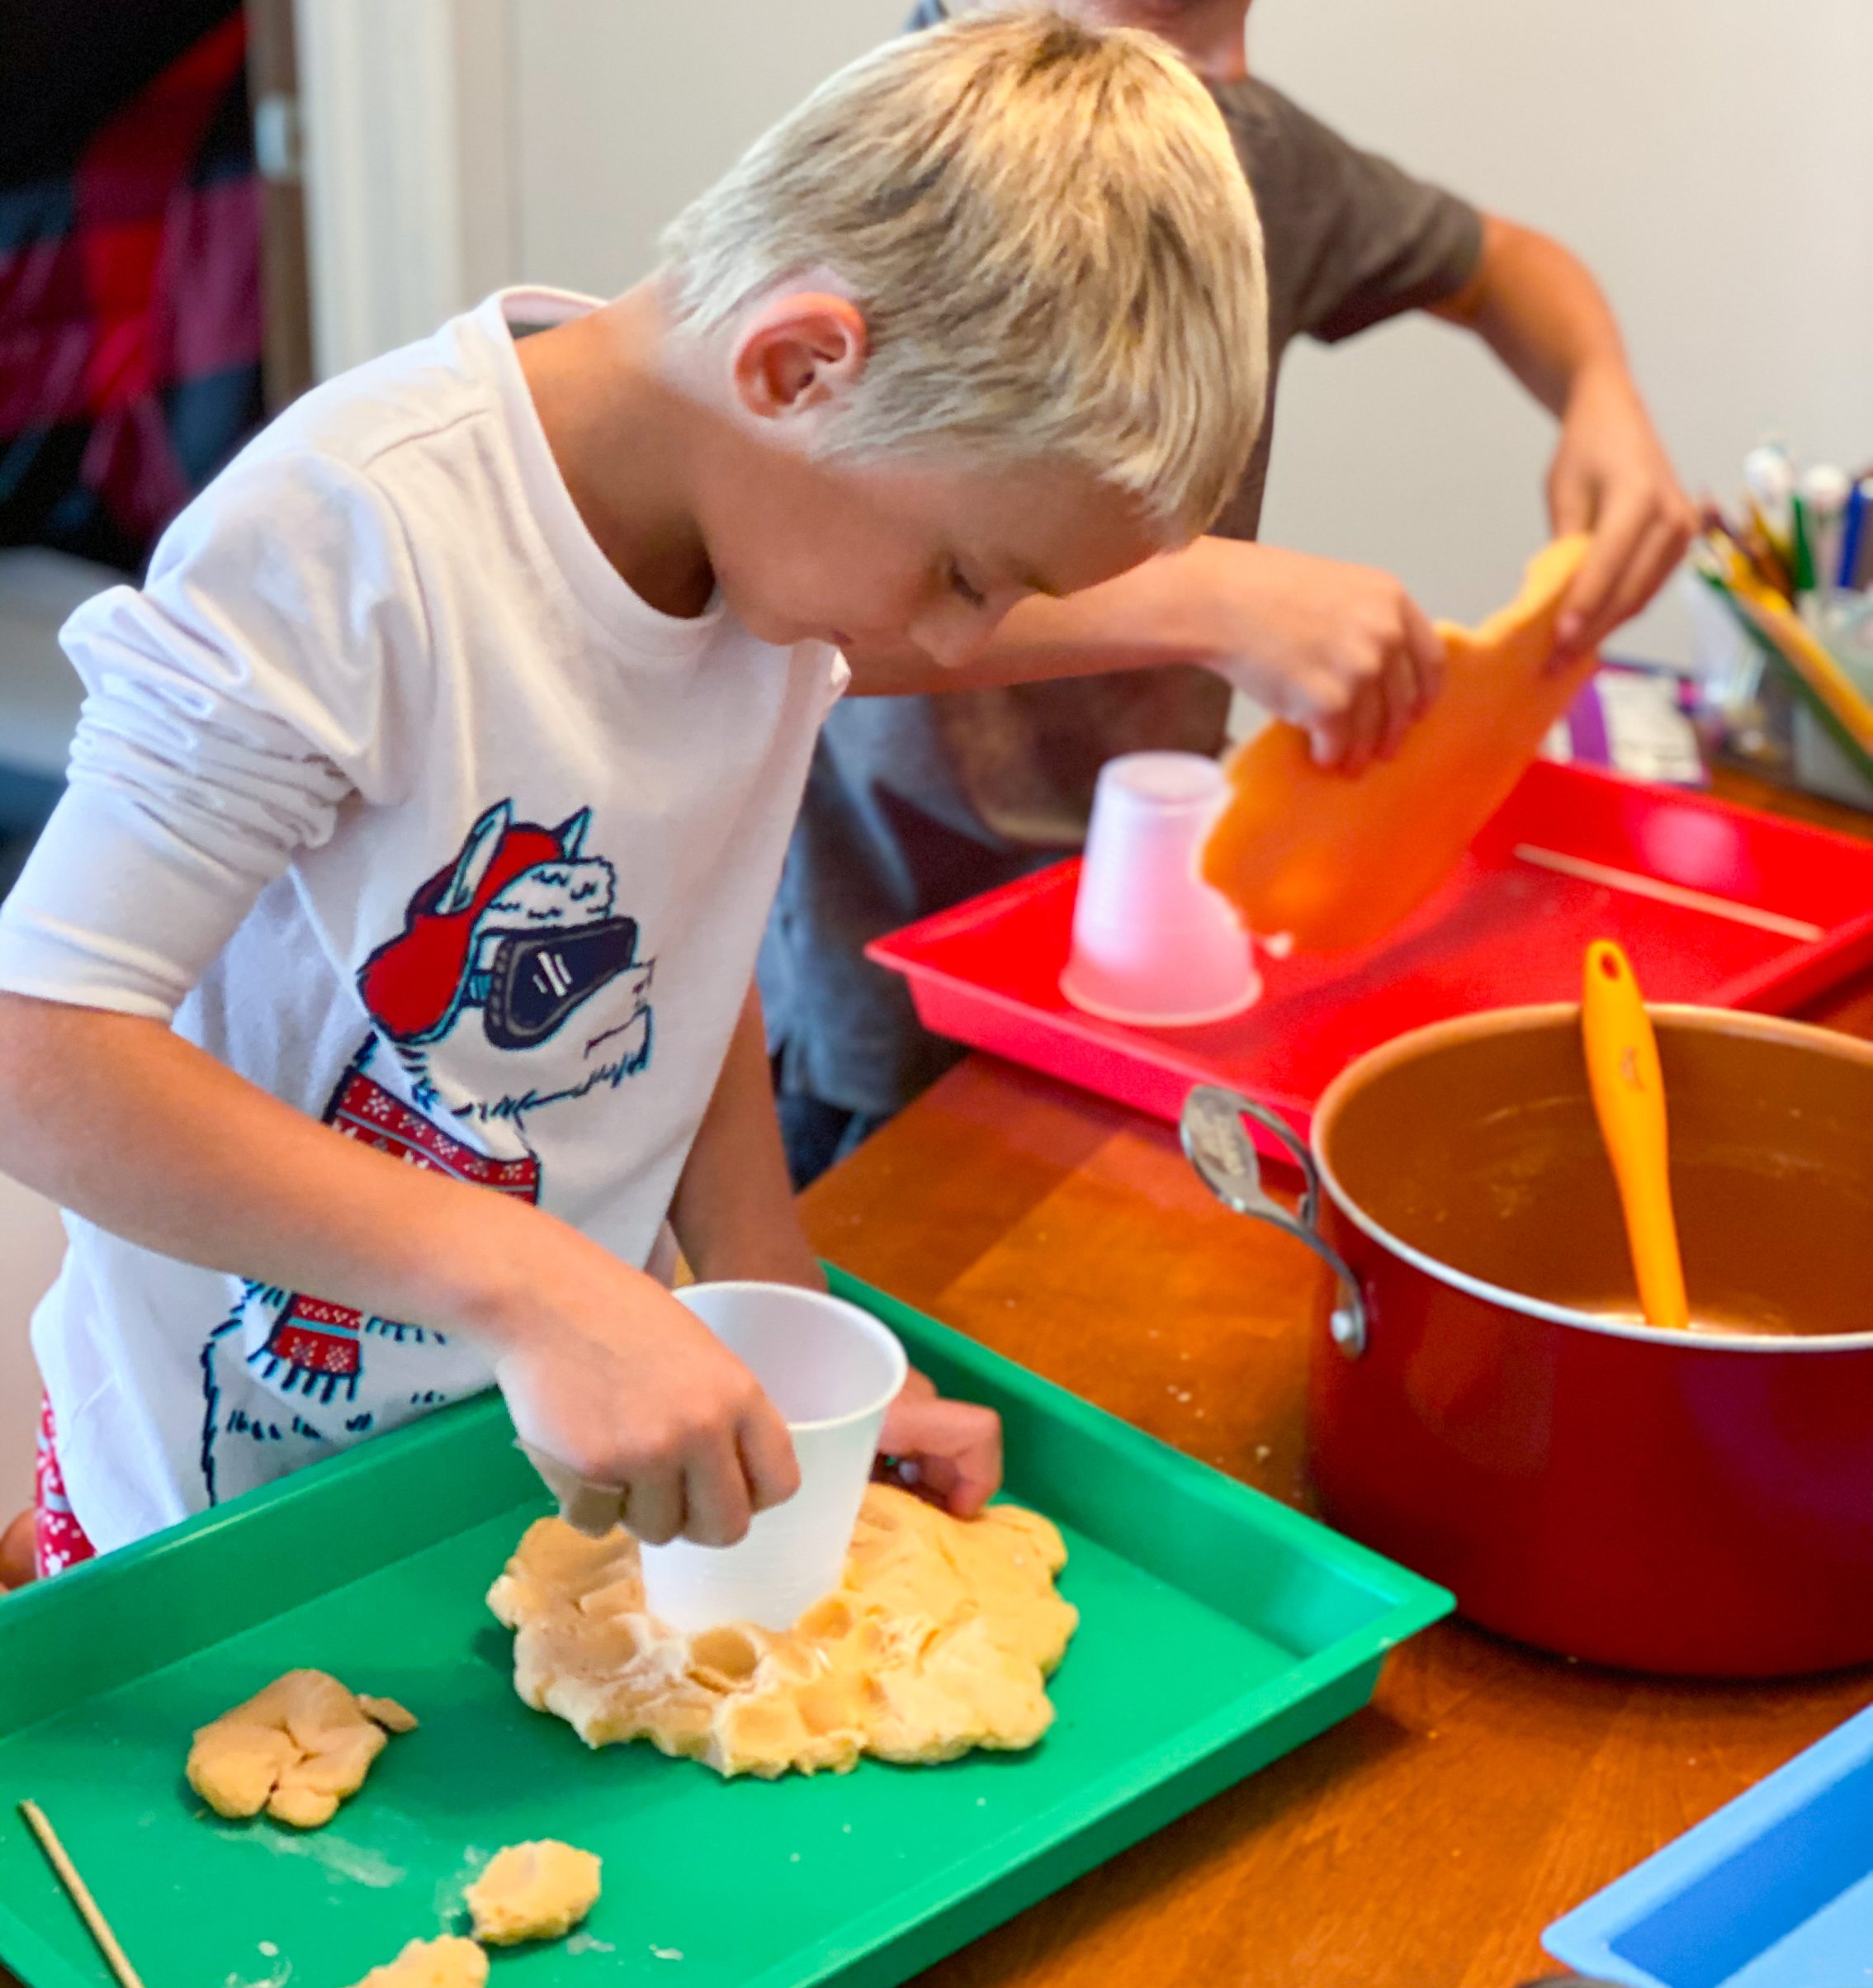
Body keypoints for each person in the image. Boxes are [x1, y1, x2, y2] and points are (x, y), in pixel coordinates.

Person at [0, 11, 1282, 1579]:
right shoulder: (352, 541)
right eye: (961, 575)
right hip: (216, 1504)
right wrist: (535, 1284)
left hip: (525, 1454)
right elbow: (38, 1048)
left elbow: (678, 952)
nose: (953, 649)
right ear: (800, 366)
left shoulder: (757, 559)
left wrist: (779, 1324)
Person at [760, 0, 1697, 1186]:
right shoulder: (896, 165)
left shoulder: (1241, 143)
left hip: (1175, 945)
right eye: (1173, 27)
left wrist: (1598, 390)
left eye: (1235, 21)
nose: (1228, 75)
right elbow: (814, 614)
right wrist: (1208, 596)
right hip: (887, 980)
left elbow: (1507, 263)